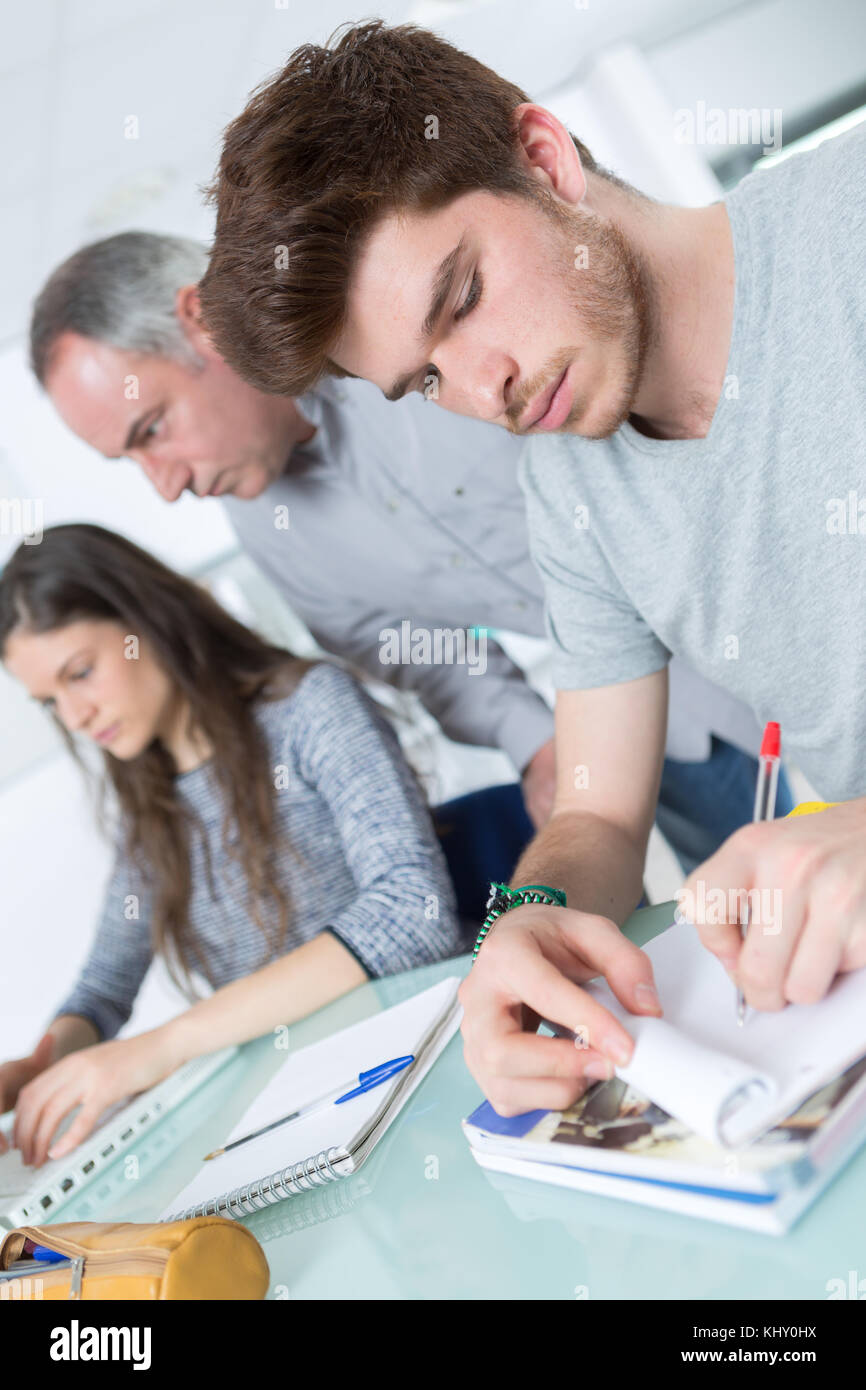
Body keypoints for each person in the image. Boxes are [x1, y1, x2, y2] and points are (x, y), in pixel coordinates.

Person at [197, 20, 866, 1114]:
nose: (483, 390)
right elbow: (598, 814)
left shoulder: (842, 224)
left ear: (545, 158)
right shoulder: (572, 493)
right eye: (422, 381)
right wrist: (527, 923)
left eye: (460, 298)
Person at [28, 232, 790, 874]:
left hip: (790, 628)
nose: (163, 487)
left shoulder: (414, 318)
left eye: (151, 430)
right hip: (672, 742)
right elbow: (414, 653)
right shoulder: (267, 532)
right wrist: (536, 745)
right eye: (128, 461)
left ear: (199, 322)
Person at [0, 523, 460, 1167]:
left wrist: (167, 1044)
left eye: (80, 673)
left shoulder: (310, 707)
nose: (74, 717)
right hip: (306, 1114)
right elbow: (102, 993)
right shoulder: (152, 803)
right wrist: (39, 1071)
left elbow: (412, 916)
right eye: (50, 702)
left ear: (146, 621)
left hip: (427, 1076)